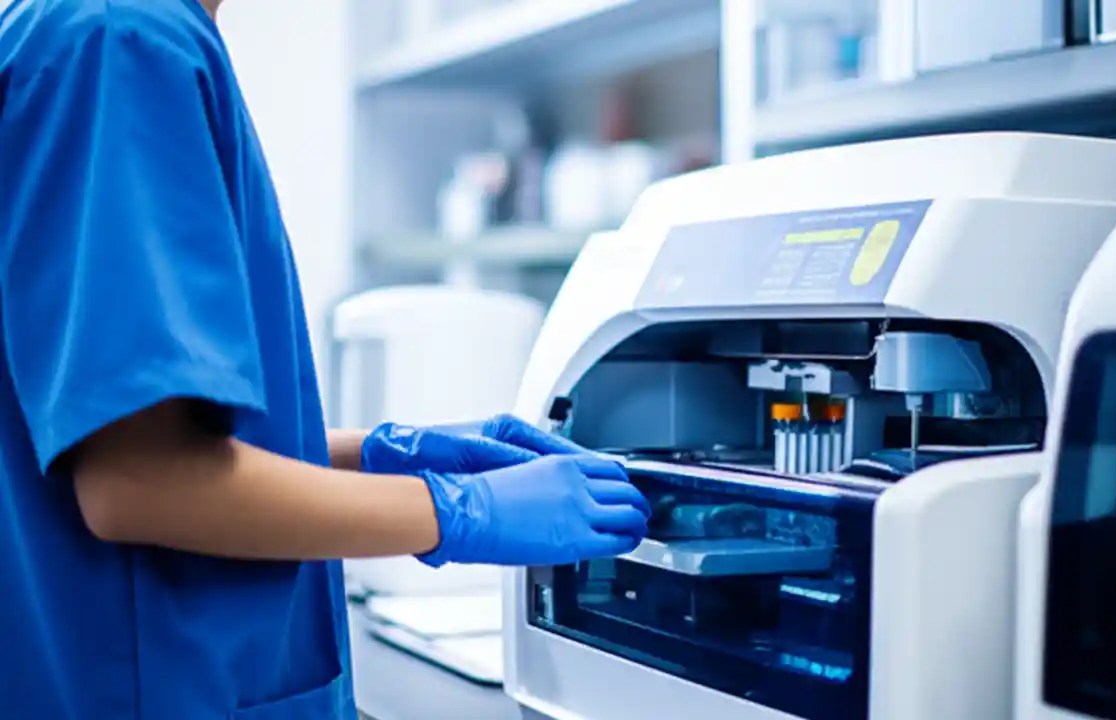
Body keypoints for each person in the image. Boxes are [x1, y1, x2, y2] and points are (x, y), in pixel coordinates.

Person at [0, 0, 650, 717]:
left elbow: (132, 437)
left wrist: (377, 454)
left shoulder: (121, 32)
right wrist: (457, 509)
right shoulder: (120, 38)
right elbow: (142, 482)